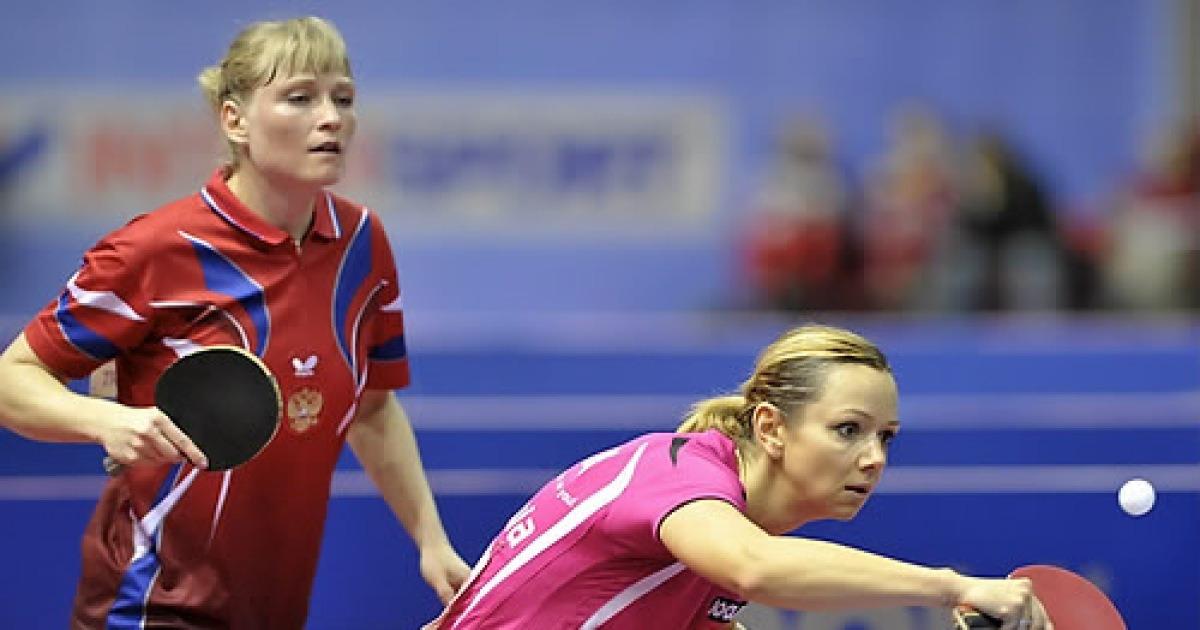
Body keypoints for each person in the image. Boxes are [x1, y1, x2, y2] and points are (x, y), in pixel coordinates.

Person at [0, 16, 469, 629]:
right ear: (234, 120)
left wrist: (430, 540)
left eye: (343, 98)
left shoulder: (363, 246)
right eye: (300, 97)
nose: (330, 117)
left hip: (273, 608)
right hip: (151, 606)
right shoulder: (156, 249)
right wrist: (107, 421)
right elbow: (14, 378)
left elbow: (375, 411)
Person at [424, 324, 1052, 630]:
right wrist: (953, 586)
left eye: (885, 437)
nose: (874, 458)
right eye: (848, 429)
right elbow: (754, 567)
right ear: (772, 428)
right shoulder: (677, 475)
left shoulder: (720, 530)